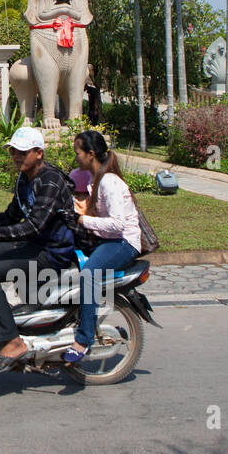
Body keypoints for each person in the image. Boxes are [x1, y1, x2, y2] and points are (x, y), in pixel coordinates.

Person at [0, 126, 81, 372]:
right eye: (14, 151)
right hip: (32, 245)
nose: (16, 156)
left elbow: (33, 227)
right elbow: (10, 216)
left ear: (38, 153)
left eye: (22, 152)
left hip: (51, 252)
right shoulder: (25, 179)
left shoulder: (51, 180)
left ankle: (13, 341)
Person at [64, 129, 141, 364]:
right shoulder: (92, 177)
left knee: (89, 274)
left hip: (123, 243)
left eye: (78, 152)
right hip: (106, 239)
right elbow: (72, 179)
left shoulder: (109, 182)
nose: (75, 156)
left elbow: (118, 224)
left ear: (90, 154)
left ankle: (84, 339)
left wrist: (82, 220)